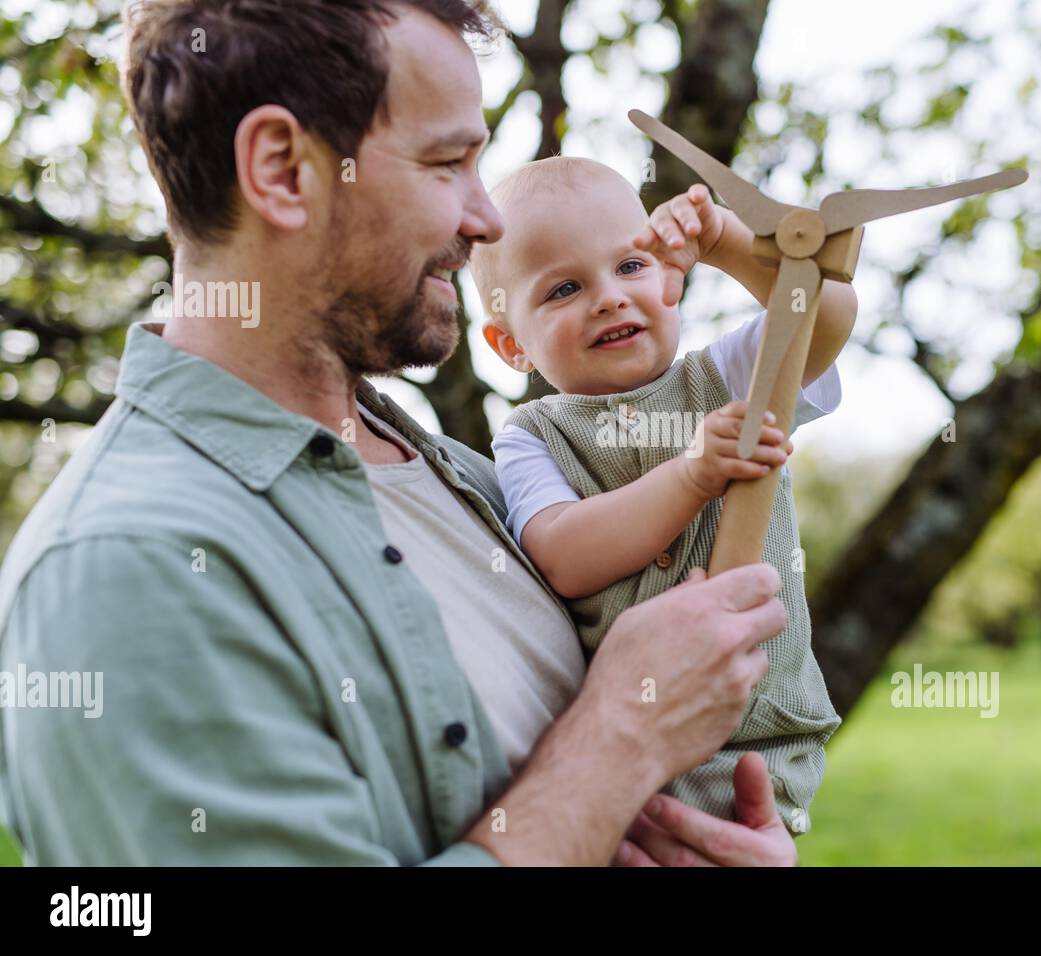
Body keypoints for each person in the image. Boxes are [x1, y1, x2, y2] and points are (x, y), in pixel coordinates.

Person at [0, 0, 796, 867]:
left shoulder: (465, 479)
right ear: (281, 169)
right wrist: (620, 740)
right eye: (448, 163)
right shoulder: (125, 574)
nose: (486, 219)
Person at [472, 159, 857, 831]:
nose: (609, 297)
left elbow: (823, 308)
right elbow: (563, 553)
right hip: (631, 753)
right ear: (511, 346)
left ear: (669, 275)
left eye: (630, 267)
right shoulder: (531, 435)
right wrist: (692, 473)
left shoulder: (732, 374)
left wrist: (728, 242)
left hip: (763, 735)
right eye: (563, 288)